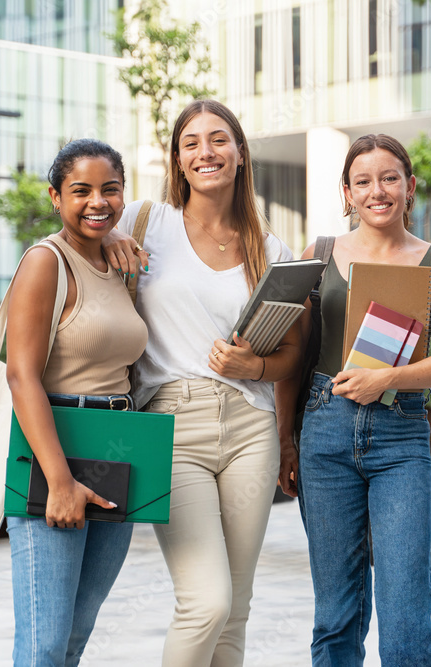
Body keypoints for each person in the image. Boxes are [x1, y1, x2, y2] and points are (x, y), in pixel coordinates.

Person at [103, 99, 301, 666]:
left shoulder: (273, 251)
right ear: (178, 160)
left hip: (251, 429)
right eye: (191, 143)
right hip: (171, 425)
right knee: (205, 602)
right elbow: (71, 243)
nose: (205, 151)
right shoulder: (143, 222)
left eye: (218, 140)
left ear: (240, 154)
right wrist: (108, 240)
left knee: (235, 609)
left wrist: (255, 369)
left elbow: (292, 354)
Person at [277, 133, 431, 666]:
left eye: (389, 178)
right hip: (324, 431)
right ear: (346, 192)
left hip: (400, 437)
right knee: (336, 610)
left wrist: (386, 379)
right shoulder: (317, 255)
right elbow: (294, 356)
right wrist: (284, 443)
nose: (376, 190)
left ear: (409, 188)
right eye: (362, 181)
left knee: (406, 607)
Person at [5, 138, 147, 665]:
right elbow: (21, 376)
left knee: (75, 636)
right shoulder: (46, 261)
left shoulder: (119, 266)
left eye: (111, 190)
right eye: (81, 191)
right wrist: (60, 481)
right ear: (55, 197)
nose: (98, 202)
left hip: (117, 449)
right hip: (53, 454)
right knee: (43, 643)